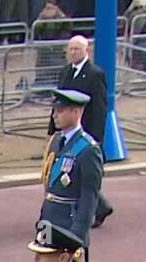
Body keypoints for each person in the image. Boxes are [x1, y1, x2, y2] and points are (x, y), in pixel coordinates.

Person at [47, 35, 114, 228]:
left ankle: (94, 208)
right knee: (69, 171)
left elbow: (99, 108)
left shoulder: (95, 74)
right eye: (70, 49)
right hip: (66, 130)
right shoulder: (65, 71)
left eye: (77, 49)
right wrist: (52, 130)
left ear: (86, 51)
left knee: (81, 173)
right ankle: (100, 207)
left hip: (85, 131)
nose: (73, 52)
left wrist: (97, 138)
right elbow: (58, 104)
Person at [39, 88, 104, 248]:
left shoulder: (88, 149)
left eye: (60, 111)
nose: (54, 115)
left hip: (68, 223)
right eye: (54, 110)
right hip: (49, 218)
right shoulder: (56, 140)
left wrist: (76, 235)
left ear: (76, 112)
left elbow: (89, 197)